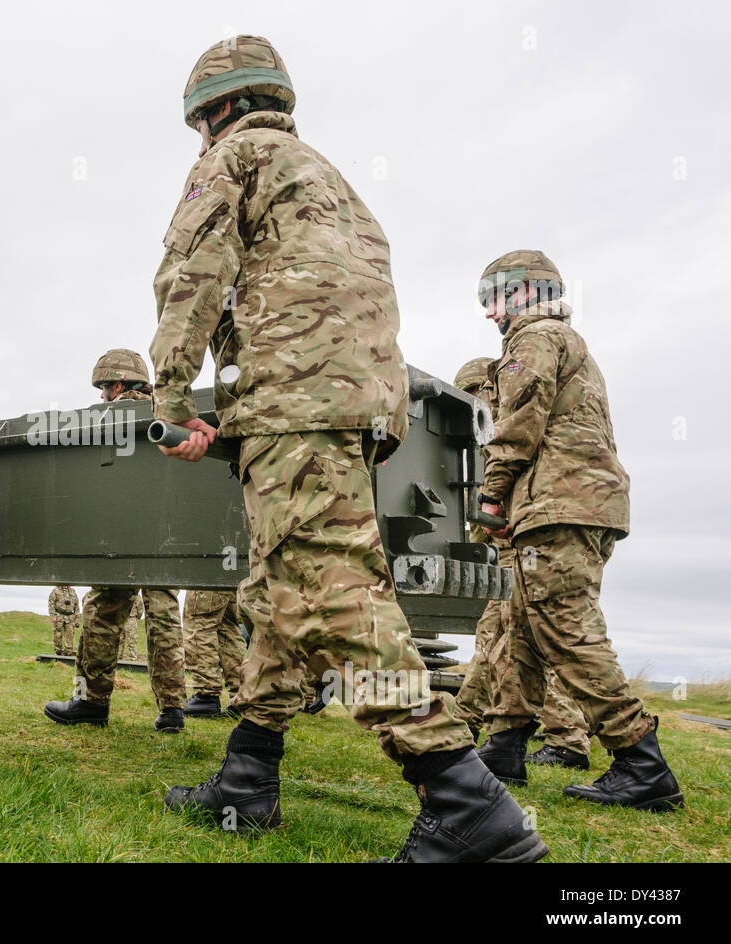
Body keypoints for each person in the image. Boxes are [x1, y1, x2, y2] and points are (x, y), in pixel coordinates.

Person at [148, 35, 545, 861]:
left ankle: (462, 796)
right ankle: (248, 776)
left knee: (331, 594)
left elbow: (190, 273)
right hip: (355, 405)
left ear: (217, 109)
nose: (199, 139)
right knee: (280, 592)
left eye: (200, 123)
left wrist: (172, 399)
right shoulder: (334, 183)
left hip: (296, 400)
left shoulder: (237, 157)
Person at [473, 250, 682, 809]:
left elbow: (519, 419)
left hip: (559, 504)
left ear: (523, 291)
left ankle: (641, 760)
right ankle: (505, 746)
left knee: (565, 626)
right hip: (572, 503)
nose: (491, 315)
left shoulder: (536, 336)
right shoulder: (567, 342)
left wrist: (491, 491)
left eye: (494, 299)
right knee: (520, 625)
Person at [451, 358, 591, 770]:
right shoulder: (494, 435)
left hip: (521, 547)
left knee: (516, 639)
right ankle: (479, 727)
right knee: (506, 641)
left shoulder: (509, 432)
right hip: (512, 549)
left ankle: (563, 739)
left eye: (473, 396)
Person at [44, 350, 188, 733]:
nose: (102, 397)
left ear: (117, 385)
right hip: (166, 531)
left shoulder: (108, 419)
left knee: (104, 609)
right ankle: (173, 709)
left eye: (104, 389)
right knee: (164, 615)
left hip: (121, 529)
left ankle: (91, 701)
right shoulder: (172, 411)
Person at [182, 589, 246, 718]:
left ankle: (206, 695)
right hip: (230, 575)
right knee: (227, 626)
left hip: (210, 574)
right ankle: (243, 695)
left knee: (199, 620)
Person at [48, 585, 80, 656]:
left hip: (70, 617)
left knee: (70, 634)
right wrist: (53, 616)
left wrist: (76, 618)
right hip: (59, 616)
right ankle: (58, 651)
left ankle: (68, 652)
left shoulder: (73, 591)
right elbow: (51, 603)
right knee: (57, 634)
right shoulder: (56, 590)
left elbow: (76, 605)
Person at [120, 590, 144, 660]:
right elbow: (140, 609)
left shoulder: (122, 595)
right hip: (128, 619)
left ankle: (125, 657)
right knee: (127, 640)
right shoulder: (136, 596)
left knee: (126, 640)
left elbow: (140, 609)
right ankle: (128, 657)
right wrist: (138, 617)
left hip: (126, 619)